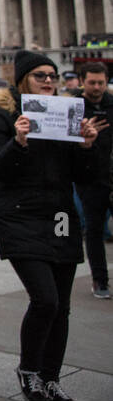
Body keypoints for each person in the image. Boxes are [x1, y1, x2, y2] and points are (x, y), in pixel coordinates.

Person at [0, 51, 104, 400]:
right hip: (20, 216)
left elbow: (84, 176)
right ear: (23, 80)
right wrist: (18, 142)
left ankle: (51, 378)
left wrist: (86, 147)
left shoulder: (64, 114)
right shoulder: (2, 116)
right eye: (40, 75)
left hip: (60, 217)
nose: (48, 80)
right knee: (45, 299)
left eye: (52, 75)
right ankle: (29, 370)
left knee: (62, 305)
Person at [75, 62, 113, 299]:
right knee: (94, 229)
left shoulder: (111, 104)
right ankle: (99, 280)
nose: (97, 87)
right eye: (92, 82)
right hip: (89, 177)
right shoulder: (75, 105)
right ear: (83, 82)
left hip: (111, 172)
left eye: (101, 82)